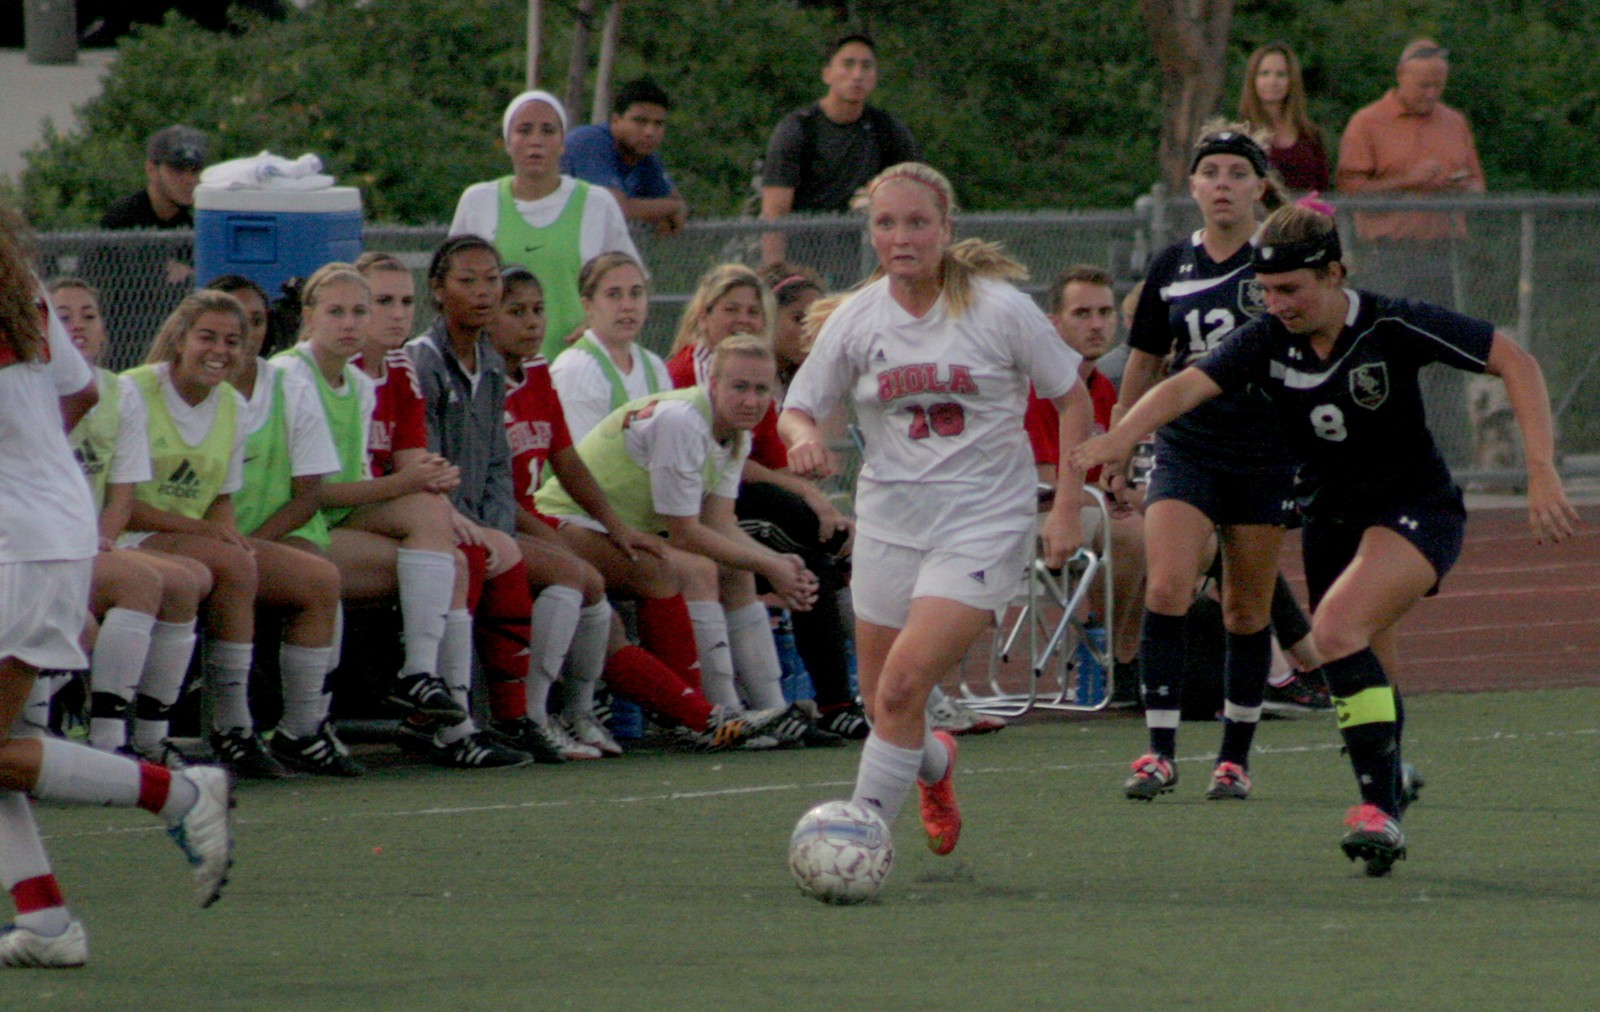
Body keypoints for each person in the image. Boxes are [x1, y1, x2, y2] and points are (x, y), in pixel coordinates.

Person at [1070, 203, 1576, 875]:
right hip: (1330, 520)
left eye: (1291, 290)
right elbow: (1187, 384)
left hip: (1415, 510)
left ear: (1335, 273)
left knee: (1334, 628)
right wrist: (1122, 435)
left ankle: (1378, 812)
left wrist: (1541, 469)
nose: (1276, 304)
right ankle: (1389, 785)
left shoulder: (1393, 323)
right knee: (1371, 673)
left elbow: (1515, 360)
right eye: (1268, 291)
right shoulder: (1267, 338)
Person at [779, 162, 1091, 864]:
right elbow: (798, 409)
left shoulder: (998, 309)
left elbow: (1073, 399)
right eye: (886, 223)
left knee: (902, 684)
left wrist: (1065, 508)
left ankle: (859, 836)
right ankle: (935, 767)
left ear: (947, 229)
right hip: (890, 523)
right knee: (885, 703)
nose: (901, 236)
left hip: (982, 522)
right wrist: (802, 441)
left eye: (917, 221)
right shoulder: (860, 319)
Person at [0, 214, 231, 969]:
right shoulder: (20, 287)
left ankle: (179, 794)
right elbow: (80, 394)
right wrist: (34, 459)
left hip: (22, 548)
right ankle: (46, 922)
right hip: (42, 530)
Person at [1110, 126, 1294, 804]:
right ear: (1191, 185)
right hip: (1187, 445)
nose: (1222, 183)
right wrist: (1121, 440)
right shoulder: (1171, 265)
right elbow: (1146, 360)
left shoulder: (1278, 259)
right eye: (1209, 171)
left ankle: (1234, 758)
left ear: (1259, 187)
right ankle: (1159, 752)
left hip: (1263, 450)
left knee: (1245, 608)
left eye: (1236, 172)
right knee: (1167, 586)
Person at [538, 336, 826, 730]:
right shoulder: (684, 421)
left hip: (623, 532)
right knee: (698, 570)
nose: (751, 400)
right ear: (712, 382)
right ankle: (724, 715)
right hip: (566, 521)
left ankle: (772, 710)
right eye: (739, 387)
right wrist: (769, 564)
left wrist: (776, 562)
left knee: (736, 571)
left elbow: (718, 522)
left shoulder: (736, 432)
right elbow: (686, 533)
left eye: (761, 389)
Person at [665, 264, 864, 739]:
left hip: (717, 504)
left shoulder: (752, 373)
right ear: (703, 315)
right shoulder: (689, 375)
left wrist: (817, 500)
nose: (743, 319)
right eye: (730, 309)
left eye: (754, 311)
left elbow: (763, 462)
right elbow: (715, 482)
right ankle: (811, 704)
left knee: (832, 542)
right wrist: (802, 504)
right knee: (804, 553)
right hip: (676, 513)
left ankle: (886, 694)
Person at [50, 277, 213, 761]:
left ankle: (150, 739)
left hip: (89, 545)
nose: (77, 327)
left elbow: (123, 494)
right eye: (62, 318)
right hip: (34, 548)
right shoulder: (26, 390)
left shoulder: (120, 394)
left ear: (104, 330)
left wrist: (102, 538)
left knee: (184, 583)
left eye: (88, 316)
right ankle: (106, 743)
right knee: (137, 587)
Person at [204, 275, 349, 776]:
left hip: (258, 538)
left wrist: (248, 546)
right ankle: (228, 726)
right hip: (188, 540)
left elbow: (309, 494)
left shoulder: (289, 385)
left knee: (319, 576)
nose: (241, 335)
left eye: (256, 321)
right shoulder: (168, 387)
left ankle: (304, 729)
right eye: (225, 325)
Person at [1336, 37, 1484, 466]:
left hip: (1442, 253)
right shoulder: (1367, 123)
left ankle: (1452, 456)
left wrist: (1458, 187)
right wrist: (1411, 182)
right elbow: (1350, 191)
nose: (1431, 94)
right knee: (1388, 354)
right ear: (1401, 77)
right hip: (1388, 257)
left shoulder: (1454, 122)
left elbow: (1478, 184)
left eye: (1438, 85)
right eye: (1423, 85)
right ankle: (1384, 450)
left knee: (1444, 353)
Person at [1023, 264, 1147, 700]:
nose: (1096, 325)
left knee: (1177, 529)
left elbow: (1106, 480)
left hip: (1086, 508)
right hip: (1027, 516)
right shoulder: (1038, 384)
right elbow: (1044, 485)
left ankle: (1140, 658)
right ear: (1053, 322)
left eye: (1104, 312)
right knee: (1133, 534)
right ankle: (1110, 651)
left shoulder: (1102, 389)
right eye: (1082, 314)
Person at [449, 90, 641, 362]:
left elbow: (632, 283)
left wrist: (597, 328)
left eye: (548, 131)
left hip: (579, 367)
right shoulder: (478, 201)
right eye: (524, 130)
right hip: (496, 368)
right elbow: (454, 289)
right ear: (507, 141)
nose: (536, 141)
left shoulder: (597, 204)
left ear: (563, 142)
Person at [759, 31, 919, 272]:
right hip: (803, 260)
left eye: (866, 66)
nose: (857, 75)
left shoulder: (887, 130)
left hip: (865, 261)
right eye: (848, 64)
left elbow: (916, 193)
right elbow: (775, 211)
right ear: (827, 74)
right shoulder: (798, 128)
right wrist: (776, 276)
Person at [88, 125, 210, 362]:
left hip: (173, 348)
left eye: (194, 171)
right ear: (152, 170)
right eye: (177, 170)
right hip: (123, 348)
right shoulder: (122, 219)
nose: (188, 180)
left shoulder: (192, 224)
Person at [550, 251, 672, 440]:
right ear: (587, 305)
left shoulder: (654, 366)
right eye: (614, 295)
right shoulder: (575, 369)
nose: (627, 305)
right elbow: (584, 459)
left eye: (636, 293)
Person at [561, 77, 688, 234]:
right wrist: (673, 208)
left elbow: (673, 202)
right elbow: (614, 209)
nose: (650, 132)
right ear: (615, 121)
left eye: (658, 124)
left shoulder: (646, 156)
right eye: (640, 121)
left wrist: (670, 210)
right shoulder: (590, 142)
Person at [1238, 42, 1330, 194]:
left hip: (1304, 216)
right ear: (1253, 79)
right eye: (1264, 73)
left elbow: (1324, 191)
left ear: (1292, 80)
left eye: (1281, 74)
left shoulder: (1311, 136)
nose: (1273, 81)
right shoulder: (1241, 137)